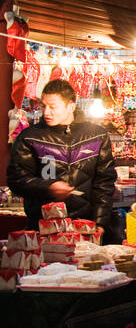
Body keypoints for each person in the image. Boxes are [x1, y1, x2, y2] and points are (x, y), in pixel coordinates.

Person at [7, 79, 120, 242]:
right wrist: (48, 187)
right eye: (43, 106)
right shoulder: (29, 137)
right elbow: (16, 179)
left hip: (85, 228)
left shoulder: (96, 136)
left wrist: (101, 222)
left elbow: (104, 182)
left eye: (53, 107)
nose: (46, 112)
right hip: (44, 229)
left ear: (71, 106)